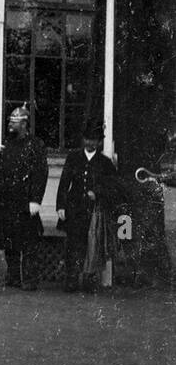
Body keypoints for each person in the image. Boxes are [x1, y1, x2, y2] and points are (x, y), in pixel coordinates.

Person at [0, 104, 48, 291]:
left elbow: (41, 173)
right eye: (10, 121)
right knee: (9, 243)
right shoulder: (8, 143)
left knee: (29, 242)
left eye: (14, 122)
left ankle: (30, 279)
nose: (10, 124)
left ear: (24, 124)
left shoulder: (36, 145)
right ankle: (13, 277)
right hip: (7, 202)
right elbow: (0, 172)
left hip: (26, 202)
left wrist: (35, 200)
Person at [57, 124, 117, 293]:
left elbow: (113, 185)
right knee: (73, 245)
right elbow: (64, 182)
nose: (90, 142)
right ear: (83, 139)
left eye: (94, 140)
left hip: (94, 212)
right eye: (88, 138)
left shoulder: (105, 163)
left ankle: (89, 279)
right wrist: (60, 206)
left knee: (92, 245)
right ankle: (72, 279)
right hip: (74, 209)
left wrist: (97, 192)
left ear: (99, 143)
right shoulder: (73, 157)